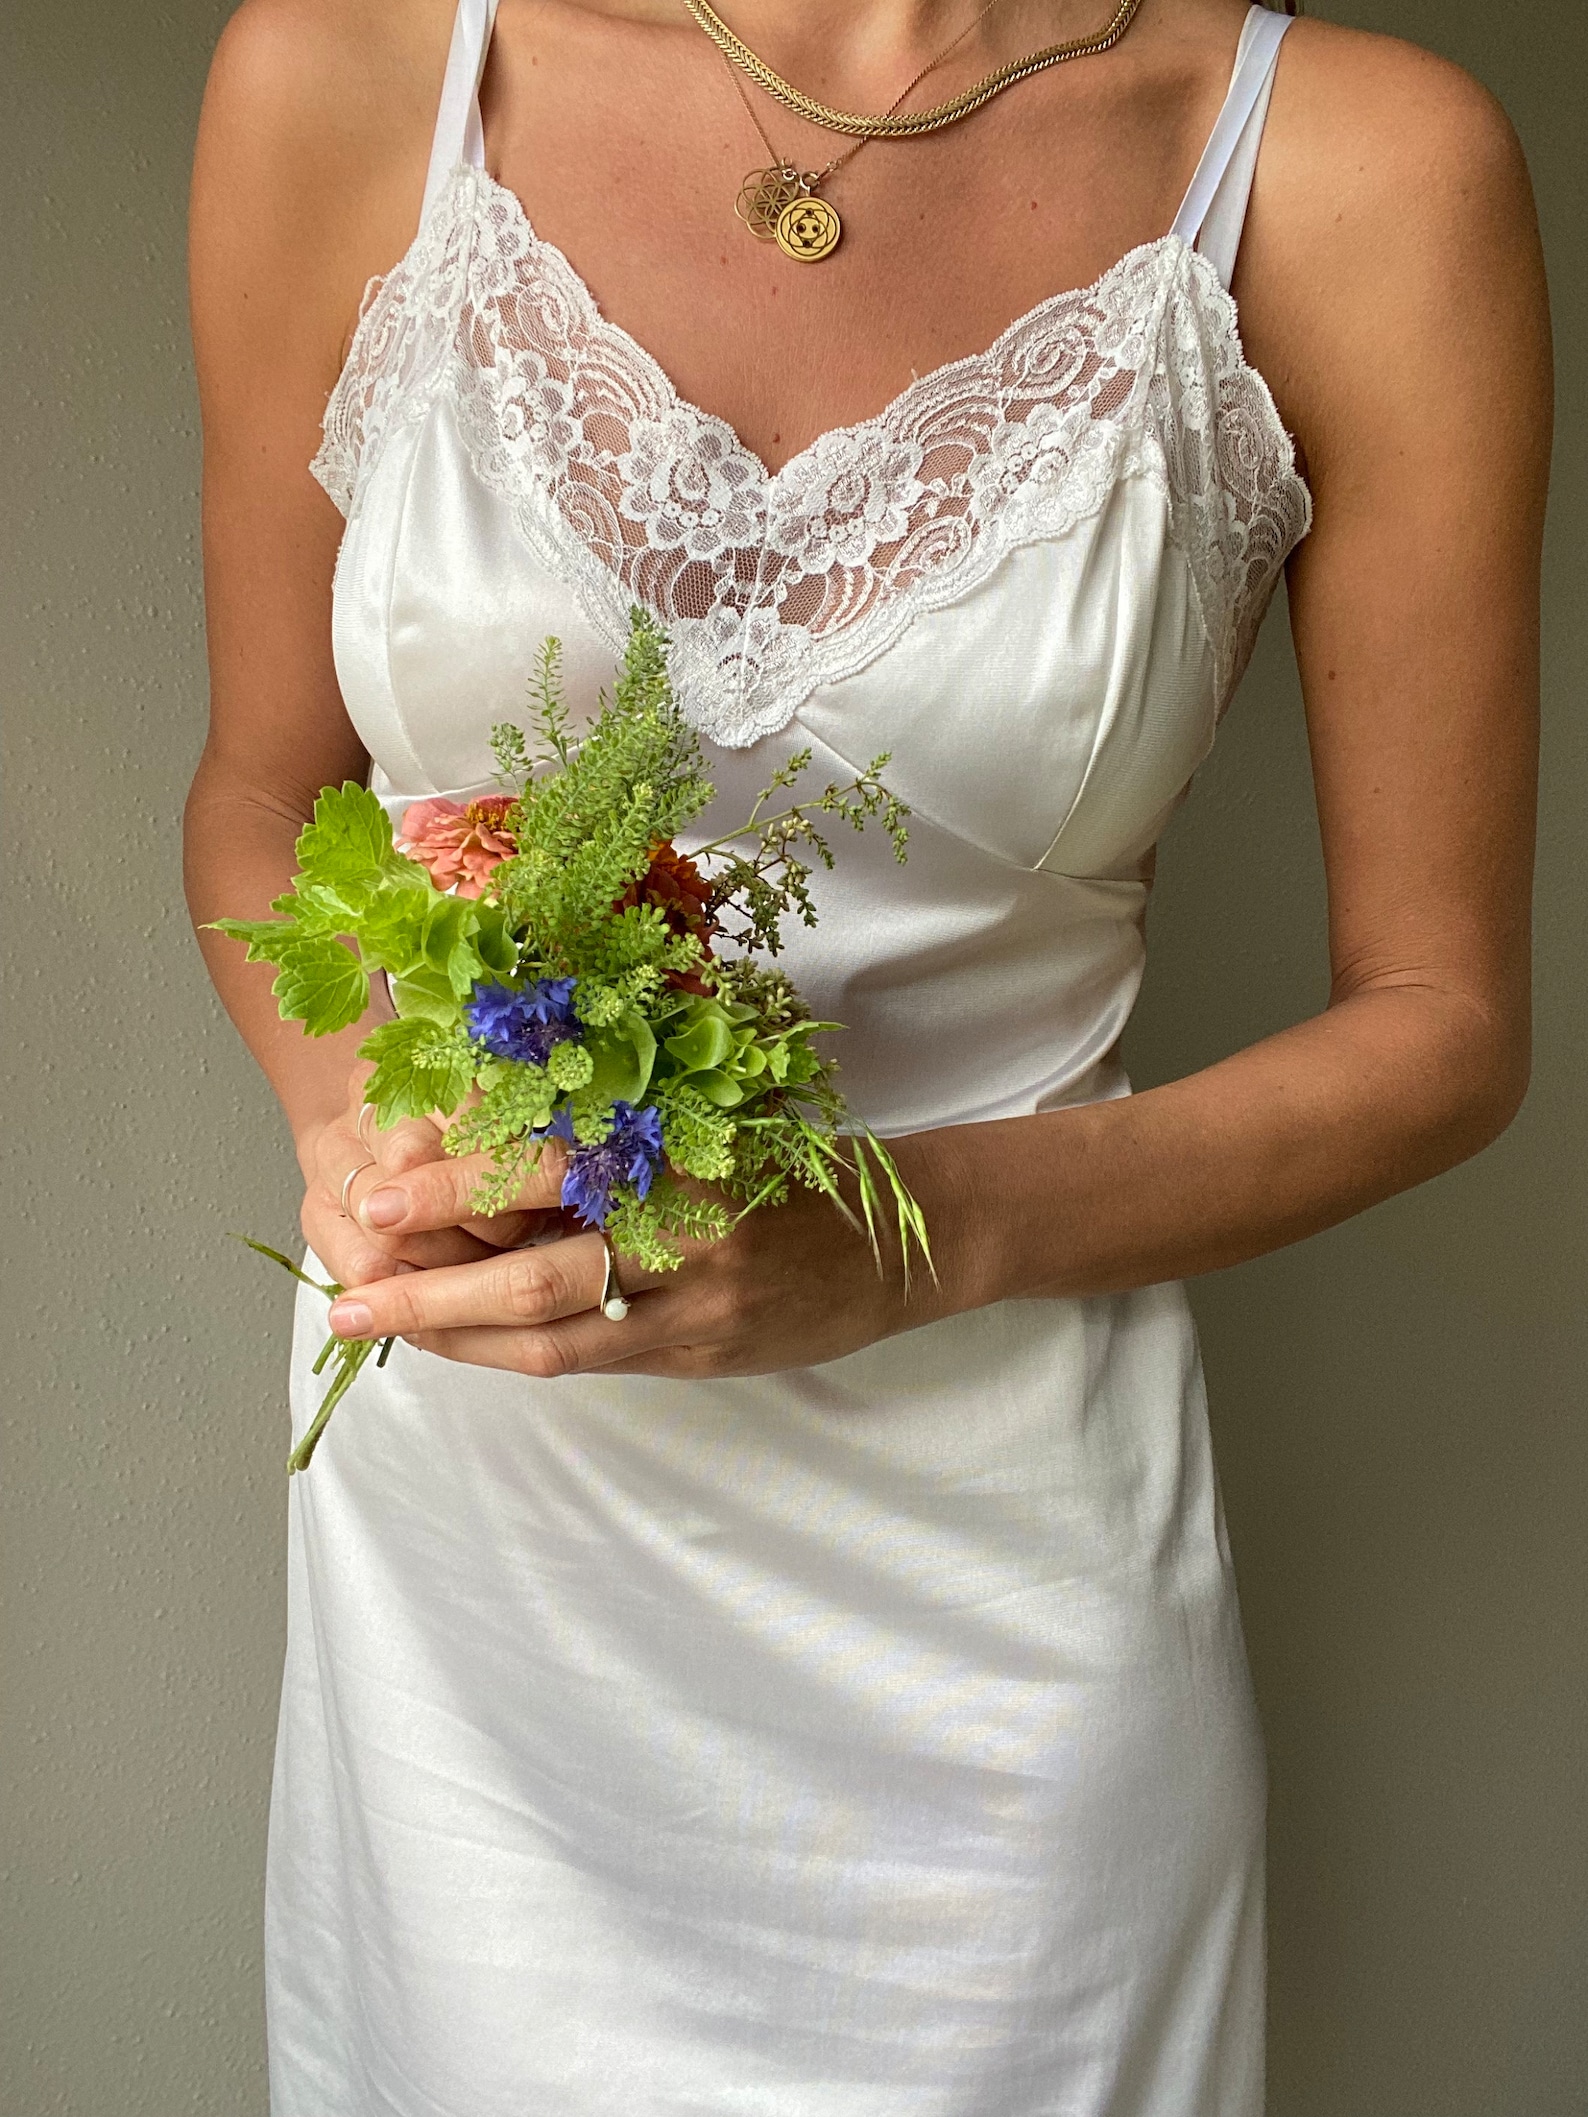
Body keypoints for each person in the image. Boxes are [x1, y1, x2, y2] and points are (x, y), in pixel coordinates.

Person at [185, 0, 1549, 2108]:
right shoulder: (361, 64)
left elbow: (1441, 1027)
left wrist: (903, 1240)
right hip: (480, 1572)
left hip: (991, 1611)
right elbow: (263, 796)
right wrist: (365, 1113)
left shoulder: (1351, 164)